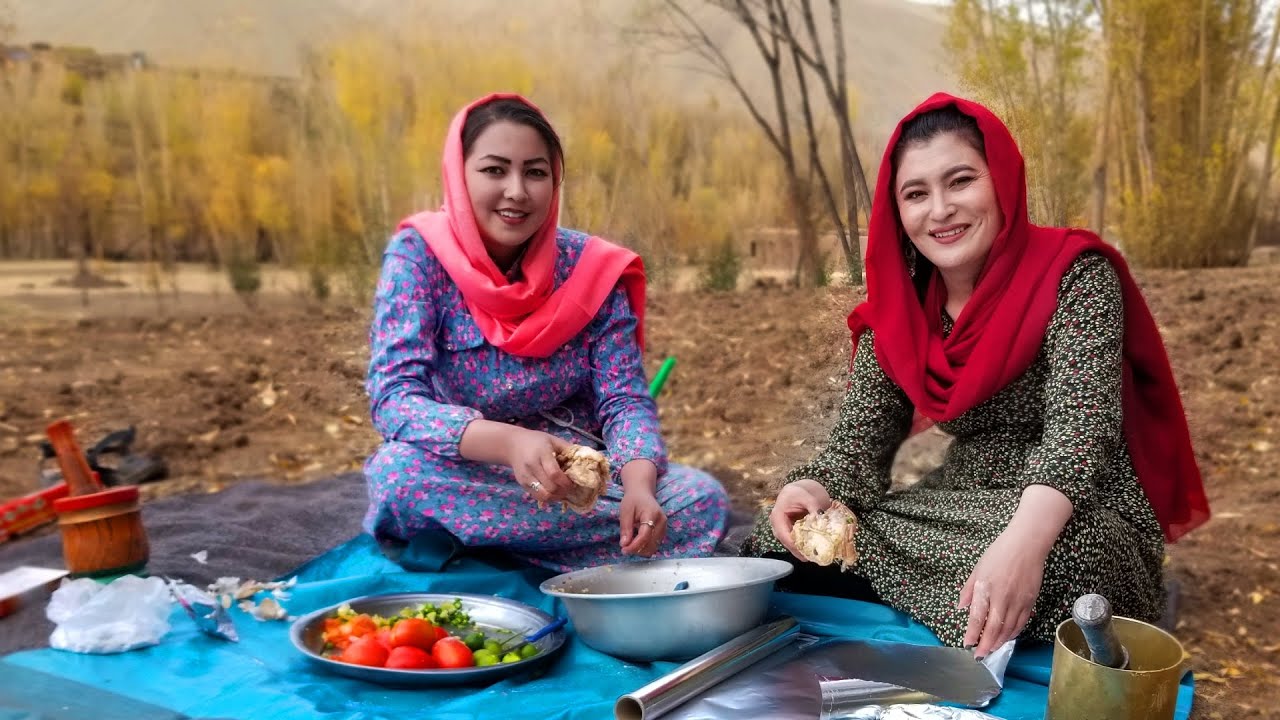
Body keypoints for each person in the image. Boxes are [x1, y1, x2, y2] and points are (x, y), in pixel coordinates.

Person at [743, 93, 1210, 659]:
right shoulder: (900, 312)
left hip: (1079, 504)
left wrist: (1022, 547)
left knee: (1068, 559)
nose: (939, 210)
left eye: (960, 181)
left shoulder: (1073, 275)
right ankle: (966, 607)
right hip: (963, 499)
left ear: (1001, 182)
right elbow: (856, 455)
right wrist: (814, 491)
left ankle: (954, 600)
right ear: (897, 213)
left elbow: (1078, 437)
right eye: (916, 194)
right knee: (777, 542)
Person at [363, 93, 730, 572]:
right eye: (495, 170)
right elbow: (394, 399)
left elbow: (624, 402)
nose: (516, 191)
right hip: (472, 470)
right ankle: (586, 557)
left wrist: (638, 486)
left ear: (554, 182)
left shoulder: (593, 270)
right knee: (399, 477)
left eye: (535, 173)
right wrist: (510, 443)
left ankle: (482, 548)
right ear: (459, 174)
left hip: (579, 484)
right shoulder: (418, 256)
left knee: (701, 500)